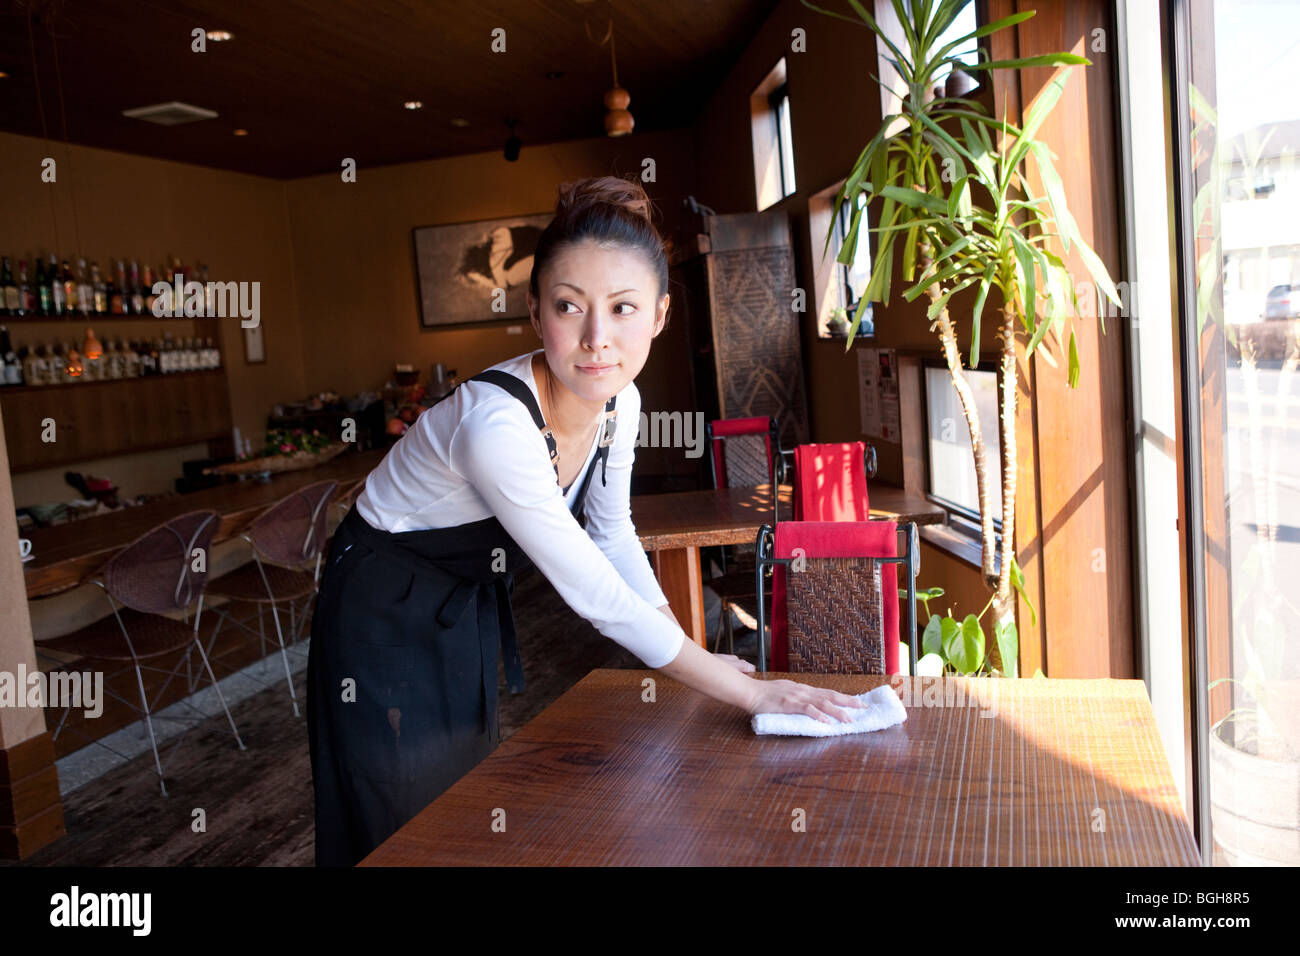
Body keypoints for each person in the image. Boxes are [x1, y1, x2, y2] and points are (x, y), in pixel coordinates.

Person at [306, 175, 864, 867]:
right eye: (570, 307)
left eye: (623, 308)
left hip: (461, 595)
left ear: (659, 315)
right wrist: (747, 688)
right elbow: (595, 594)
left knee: (464, 790)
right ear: (537, 316)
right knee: (397, 802)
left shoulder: (618, 404)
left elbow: (611, 532)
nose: (598, 339)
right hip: (380, 600)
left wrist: (688, 647)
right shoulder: (497, 428)